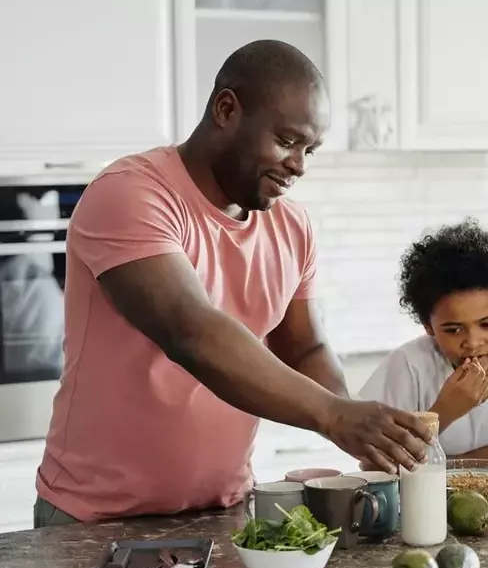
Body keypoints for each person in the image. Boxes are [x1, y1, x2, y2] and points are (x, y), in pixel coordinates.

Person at [35, 40, 429, 527]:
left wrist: (358, 428)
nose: (299, 165)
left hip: (224, 511)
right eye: (287, 141)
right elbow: (192, 334)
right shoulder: (130, 194)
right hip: (95, 519)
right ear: (226, 109)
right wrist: (334, 415)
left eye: (310, 150)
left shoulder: (292, 225)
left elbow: (305, 347)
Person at [358, 219, 488, 460]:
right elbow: (375, 464)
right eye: (453, 329)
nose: (472, 342)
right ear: (428, 326)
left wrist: (447, 474)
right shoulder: (407, 366)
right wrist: (444, 412)